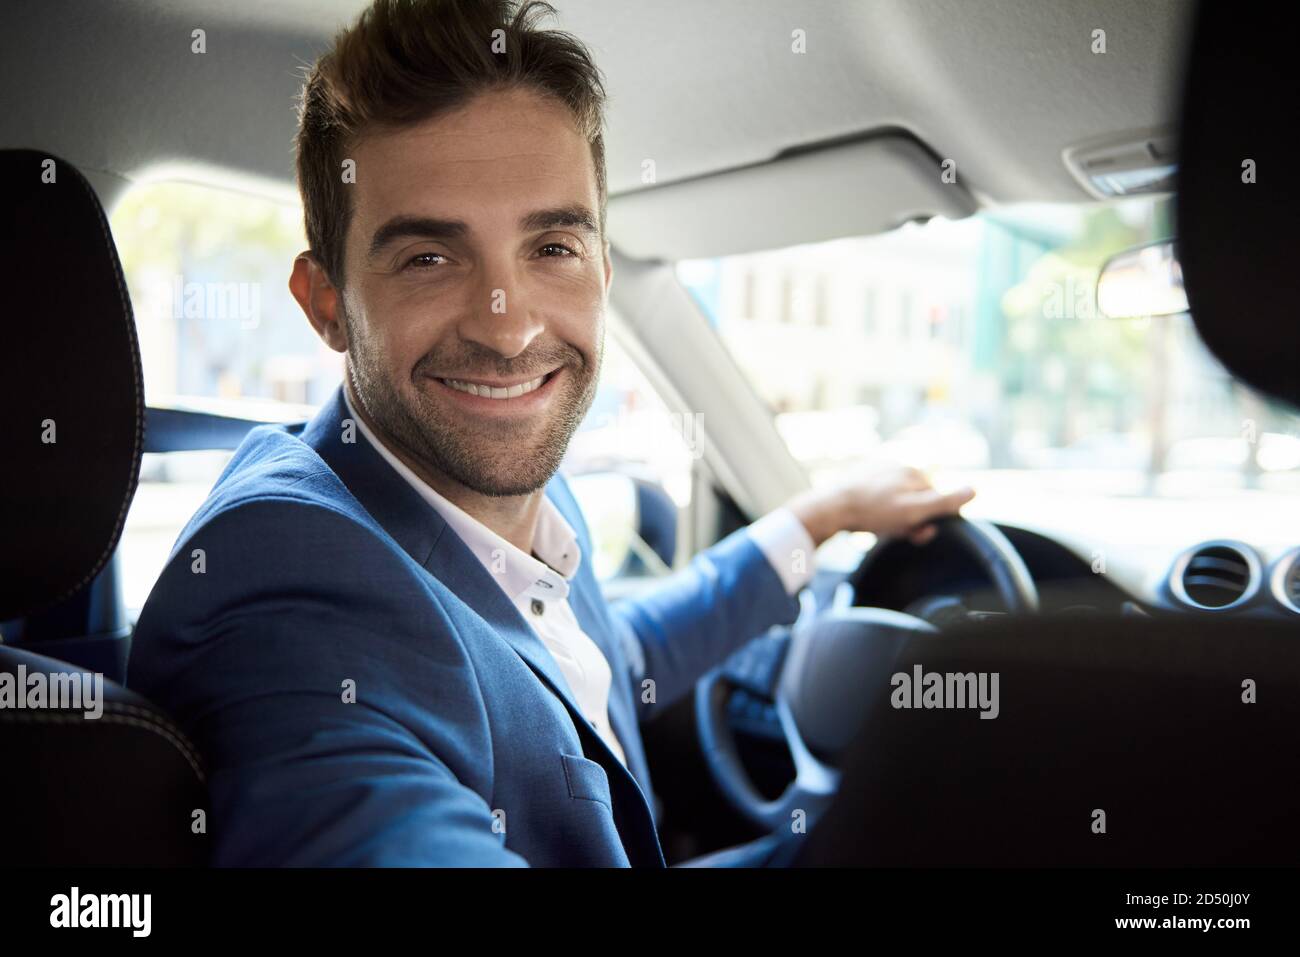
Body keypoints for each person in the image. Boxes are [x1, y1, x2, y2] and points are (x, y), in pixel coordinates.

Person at [127, 0, 974, 866]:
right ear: (327, 306)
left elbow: (603, 658)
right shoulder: (280, 584)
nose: (508, 329)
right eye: (429, 257)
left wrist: (818, 520)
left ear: (601, 271)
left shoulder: (509, 478)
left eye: (552, 248)